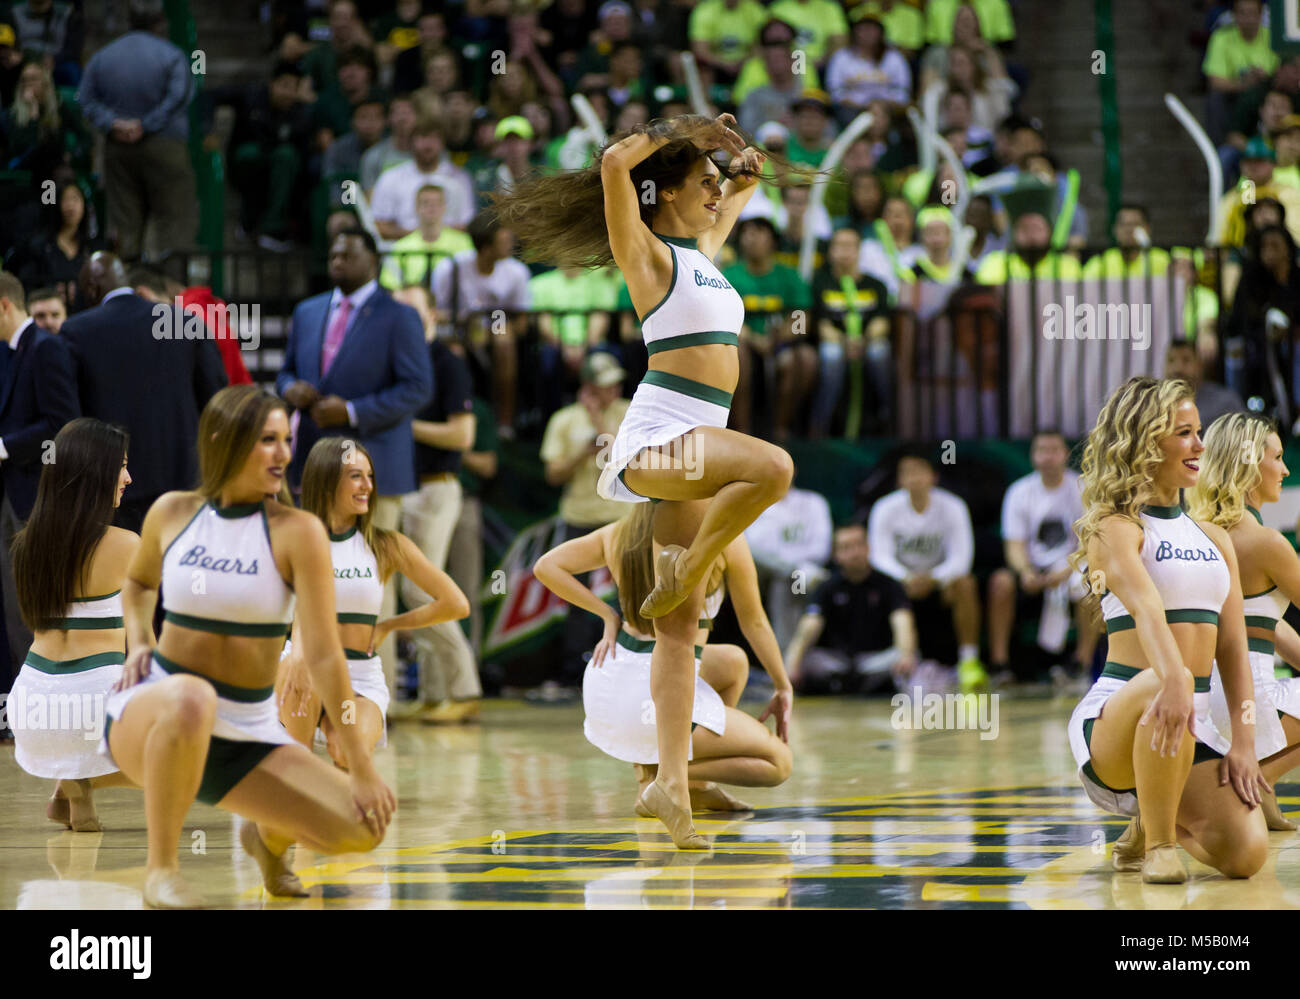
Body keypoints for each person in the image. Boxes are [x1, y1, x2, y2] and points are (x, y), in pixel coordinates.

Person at [493, 112, 794, 848]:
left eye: (716, 190)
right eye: (702, 187)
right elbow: (614, 163)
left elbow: (751, 176)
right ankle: (692, 564)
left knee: (679, 628)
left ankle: (669, 785)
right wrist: (687, 127)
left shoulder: (704, 250)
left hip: (697, 442)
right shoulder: (649, 256)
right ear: (664, 196)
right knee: (773, 467)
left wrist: (733, 158)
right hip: (662, 438)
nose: (716, 197)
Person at [102, 385, 397, 908]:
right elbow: (139, 584)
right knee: (192, 697)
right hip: (158, 710)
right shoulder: (172, 512)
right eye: (267, 439)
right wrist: (140, 640)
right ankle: (162, 873)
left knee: (361, 828)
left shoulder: (298, 532)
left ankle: (266, 838)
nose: (283, 453)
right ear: (222, 439)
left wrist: (362, 765)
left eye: (286, 439)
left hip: (248, 729)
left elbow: (328, 656)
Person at [1066, 375, 1267, 884]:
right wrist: (1175, 677)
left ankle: (1149, 818)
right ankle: (1158, 845)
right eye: (1184, 433)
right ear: (1143, 442)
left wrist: (1242, 741)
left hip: (1191, 723)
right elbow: (1147, 608)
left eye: (1198, 431)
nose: (1201, 445)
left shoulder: (1216, 538)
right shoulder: (1114, 527)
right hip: (1118, 720)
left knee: (1246, 856)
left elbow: (1235, 650)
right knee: (1165, 680)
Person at [533, 500, 793, 816]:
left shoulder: (618, 532)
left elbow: (546, 566)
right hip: (656, 692)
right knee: (778, 763)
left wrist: (607, 615)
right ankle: (663, 782)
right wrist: (783, 685)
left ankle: (688, 786)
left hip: (609, 685)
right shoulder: (721, 538)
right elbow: (754, 622)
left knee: (733, 662)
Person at [277, 228, 432, 685]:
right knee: (314, 570)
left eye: (348, 252)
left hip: (375, 469)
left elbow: (417, 388)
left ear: (373, 259)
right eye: (333, 252)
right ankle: (313, 674)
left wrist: (351, 411)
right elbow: (286, 370)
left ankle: (376, 691)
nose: (337, 258)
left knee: (369, 580)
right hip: (315, 465)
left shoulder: (399, 315)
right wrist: (290, 388)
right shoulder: (307, 311)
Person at [278, 438, 469, 758]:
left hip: (360, 675)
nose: (367, 485)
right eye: (355, 476)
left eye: (369, 476)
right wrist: (297, 654)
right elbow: (302, 605)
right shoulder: (300, 538)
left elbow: (455, 603)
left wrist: (389, 626)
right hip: (305, 661)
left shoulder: (386, 545)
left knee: (347, 752)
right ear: (326, 480)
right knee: (299, 763)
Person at [9, 419, 136, 830]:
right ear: (94, 474)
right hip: (96, 706)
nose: (128, 478)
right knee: (194, 760)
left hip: (30, 707)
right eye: (121, 466)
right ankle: (80, 782)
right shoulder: (127, 545)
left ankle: (71, 785)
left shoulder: (25, 546)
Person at [60, 252, 228, 533]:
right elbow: (218, 402)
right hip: (184, 478)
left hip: (113, 484)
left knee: (128, 575)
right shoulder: (185, 321)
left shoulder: (75, 331)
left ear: (90, 289)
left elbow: (71, 416)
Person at [1189, 412, 1300, 831]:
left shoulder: (1197, 533)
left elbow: (1264, 625)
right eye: (1277, 457)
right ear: (1250, 465)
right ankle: (1255, 782)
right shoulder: (1268, 543)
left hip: (1199, 700)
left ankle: (1255, 792)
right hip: (1245, 701)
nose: (1286, 469)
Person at [392, 284, 482, 723]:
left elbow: (462, 436)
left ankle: (463, 687)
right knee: (413, 592)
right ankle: (433, 692)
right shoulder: (398, 360)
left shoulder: (447, 363)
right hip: (402, 487)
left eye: (414, 310)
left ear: (432, 314)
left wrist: (403, 425)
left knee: (422, 588)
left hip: (436, 486)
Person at [0, 271, 79, 676]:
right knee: (15, 601)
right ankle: (22, 695)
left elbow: (63, 423)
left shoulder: (46, 348)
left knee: (36, 600)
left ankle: (47, 691)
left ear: (4, 304)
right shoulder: (11, 350)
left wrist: (5, 445)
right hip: (12, 492)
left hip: (36, 492)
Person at [541, 351, 633, 690]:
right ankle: (575, 668)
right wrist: (582, 452)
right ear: (588, 386)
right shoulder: (564, 420)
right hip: (579, 516)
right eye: (605, 385)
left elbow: (619, 456)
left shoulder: (629, 412)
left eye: (615, 384)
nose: (613, 390)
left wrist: (597, 421)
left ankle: (630, 662)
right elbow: (552, 473)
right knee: (576, 597)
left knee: (631, 594)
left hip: (622, 516)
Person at [75, 3, 196, 260]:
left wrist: (112, 123)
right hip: (165, 144)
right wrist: (146, 124)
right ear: (160, 23)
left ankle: (128, 289)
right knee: (173, 222)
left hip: (118, 147)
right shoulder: (172, 55)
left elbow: (84, 99)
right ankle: (171, 293)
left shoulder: (102, 55)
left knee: (125, 224)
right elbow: (179, 97)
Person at [986, 429, 1099, 688]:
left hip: (1073, 565)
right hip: (1033, 569)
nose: (1048, 457)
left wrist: (1065, 570)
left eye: (1054, 450)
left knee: (1094, 581)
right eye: (1042, 451)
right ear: (1033, 456)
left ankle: (1080, 663)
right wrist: (1026, 571)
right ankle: (1000, 664)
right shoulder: (1019, 491)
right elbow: (1014, 546)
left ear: (1065, 454)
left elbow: (1090, 541)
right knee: (1000, 582)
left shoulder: (1082, 488)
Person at [866, 447, 985, 690]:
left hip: (941, 583)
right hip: (901, 582)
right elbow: (879, 556)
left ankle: (969, 661)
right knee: (884, 588)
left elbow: (962, 557)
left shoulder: (954, 506)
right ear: (899, 480)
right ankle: (904, 662)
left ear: (934, 476)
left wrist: (933, 578)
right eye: (907, 472)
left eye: (919, 471)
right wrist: (907, 578)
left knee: (966, 583)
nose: (913, 477)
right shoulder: (884, 508)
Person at [784, 523, 917, 693]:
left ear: (868, 547)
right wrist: (793, 663)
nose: (854, 553)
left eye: (858, 545)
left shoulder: (890, 585)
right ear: (836, 555)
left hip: (876, 660)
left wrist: (906, 653)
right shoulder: (826, 586)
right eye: (846, 547)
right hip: (837, 661)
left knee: (910, 658)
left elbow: (903, 621)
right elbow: (810, 625)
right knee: (806, 659)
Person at [430, 212, 530, 436]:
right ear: (486, 248)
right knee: (453, 351)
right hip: (457, 332)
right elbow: (435, 312)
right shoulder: (450, 268)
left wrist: (490, 331)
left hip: (497, 331)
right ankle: (455, 414)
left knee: (504, 339)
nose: (510, 245)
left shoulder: (517, 272)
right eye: (504, 242)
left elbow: (522, 323)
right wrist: (468, 323)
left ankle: (504, 421)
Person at [370, 117, 475, 238]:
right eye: (422, 137)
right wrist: (419, 238)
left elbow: (466, 224)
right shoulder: (390, 177)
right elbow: (380, 225)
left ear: (442, 143)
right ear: (411, 143)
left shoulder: (460, 178)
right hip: (402, 248)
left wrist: (433, 238)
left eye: (434, 138)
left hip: (450, 250)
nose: (428, 144)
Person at [378, 183, 472, 290]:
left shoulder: (464, 242)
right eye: (425, 203)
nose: (431, 207)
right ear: (416, 207)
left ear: (444, 207)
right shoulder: (400, 247)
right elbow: (390, 286)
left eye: (437, 203)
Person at [1163, 340, 1244, 433]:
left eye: (1186, 360)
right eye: (1171, 360)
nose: (1177, 368)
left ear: (1199, 365)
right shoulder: (1156, 405)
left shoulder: (1224, 403)